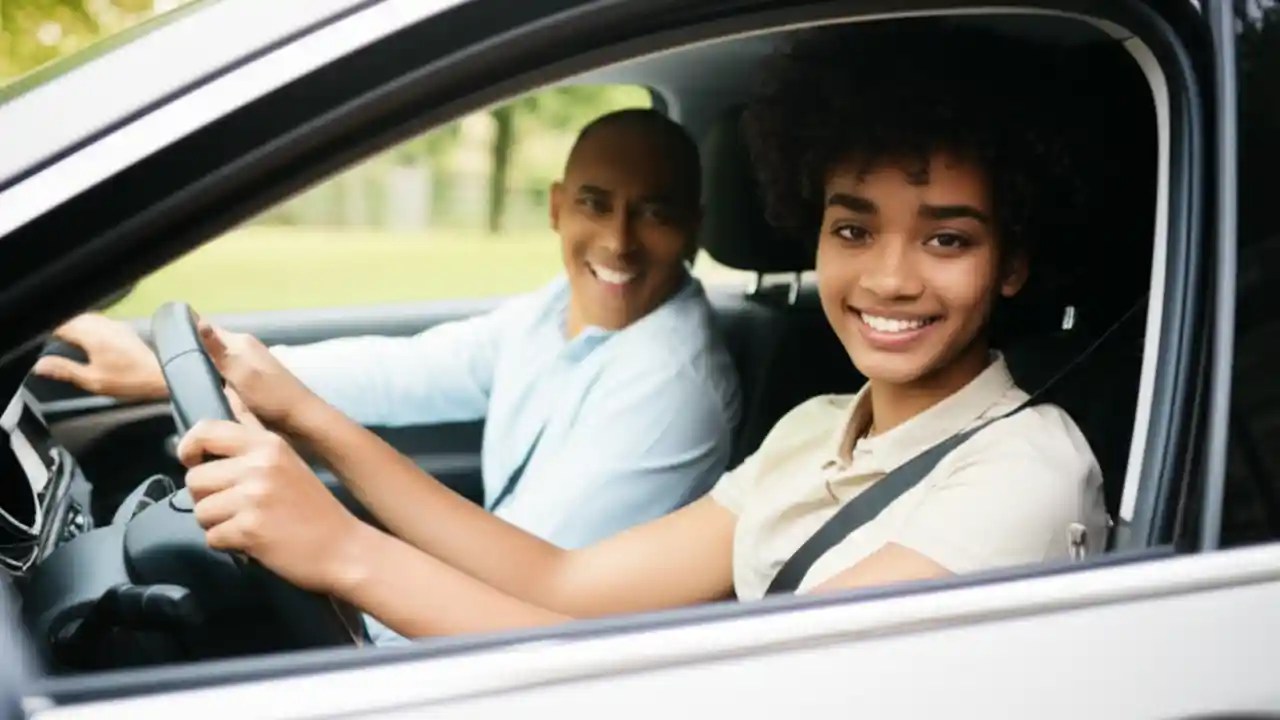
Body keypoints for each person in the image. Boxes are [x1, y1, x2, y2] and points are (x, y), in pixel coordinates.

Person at [172, 21, 1109, 638]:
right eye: (854, 230)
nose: (890, 278)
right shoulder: (816, 429)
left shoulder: (1025, 469)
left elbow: (731, 694)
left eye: (947, 239)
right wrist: (309, 419)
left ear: (1012, 262)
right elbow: (564, 584)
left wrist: (344, 550)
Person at [34, 109, 742, 642]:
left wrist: (339, 579)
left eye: (655, 213)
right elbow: (407, 370)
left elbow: (540, 594)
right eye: (595, 203)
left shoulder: (671, 384)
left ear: (694, 230)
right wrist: (183, 371)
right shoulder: (554, 311)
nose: (618, 239)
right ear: (557, 207)